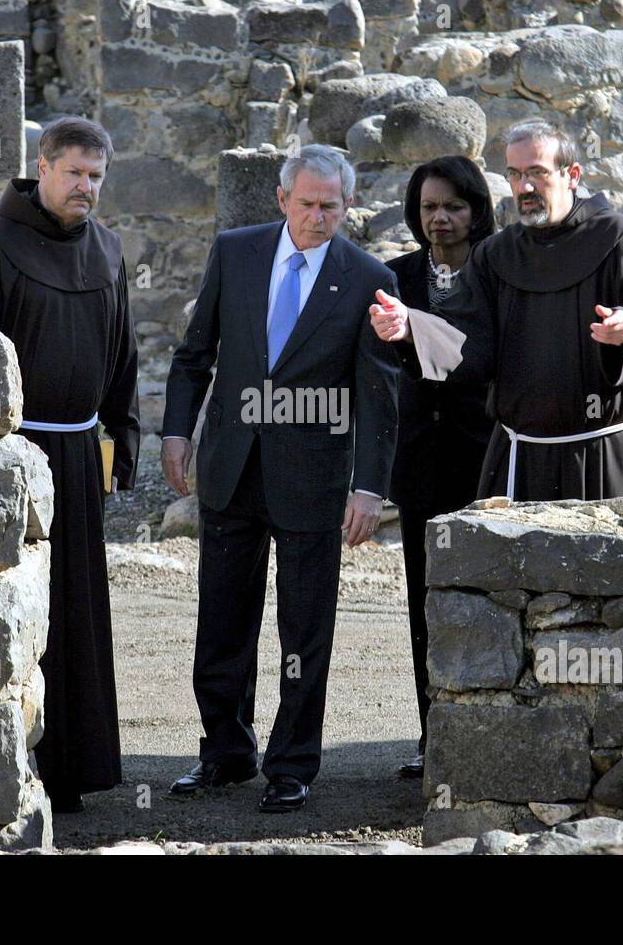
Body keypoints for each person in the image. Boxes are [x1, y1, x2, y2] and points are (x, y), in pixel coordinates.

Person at [161, 145, 400, 812]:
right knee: (223, 620)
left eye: (332, 206)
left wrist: (368, 488)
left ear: (347, 206)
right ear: (281, 198)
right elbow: (193, 356)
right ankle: (224, 752)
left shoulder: (367, 277)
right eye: (308, 204)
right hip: (231, 467)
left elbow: (380, 396)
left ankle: (291, 765)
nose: (319, 217)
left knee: (305, 629)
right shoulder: (235, 252)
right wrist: (176, 432)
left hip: (313, 478)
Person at [0, 116, 140, 813]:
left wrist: (124, 438)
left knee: (77, 611)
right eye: (74, 173)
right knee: (13, 611)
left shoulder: (110, 250)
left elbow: (124, 356)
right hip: (12, 455)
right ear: (42, 167)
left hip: (81, 453)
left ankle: (74, 768)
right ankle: (13, 759)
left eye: (96, 177)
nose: (85, 187)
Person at [370, 118, 623, 502]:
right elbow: (465, 335)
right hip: (520, 454)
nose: (525, 187)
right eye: (515, 175)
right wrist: (411, 327)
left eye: (536, 172)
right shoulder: (497, 254)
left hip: (603, 454)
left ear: (572, 175)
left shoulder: (618, 238)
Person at [385, 156, 496, 780]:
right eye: (429, 207)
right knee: (424, 597)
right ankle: (433, 738)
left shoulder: (497, 275)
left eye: (452, 206)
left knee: (482, 596)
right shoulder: (397, 277)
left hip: (485, 462)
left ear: (475, 209)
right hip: (420, 464)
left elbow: (482, 358)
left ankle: (482, 734)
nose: (440, 218)